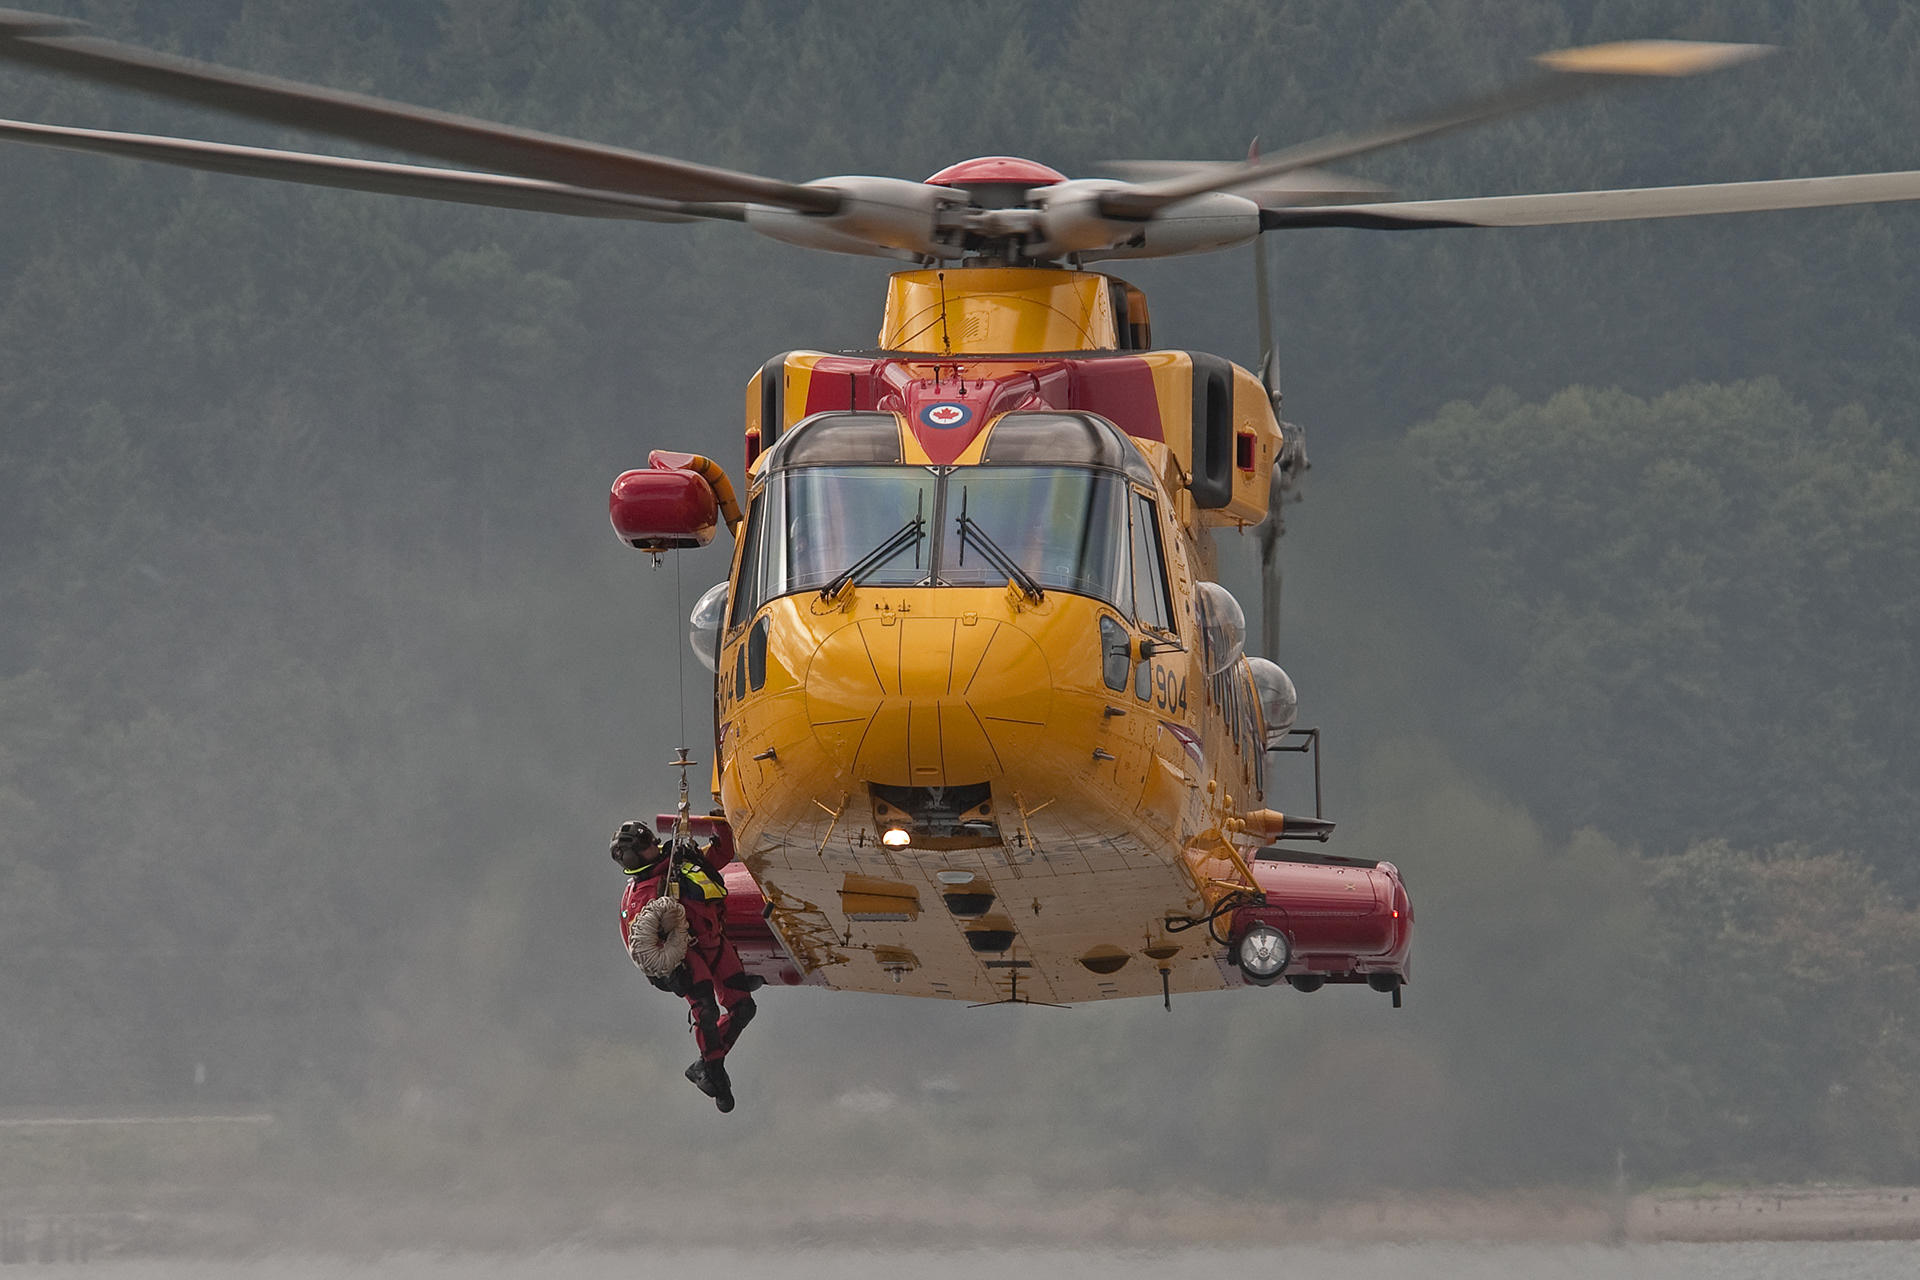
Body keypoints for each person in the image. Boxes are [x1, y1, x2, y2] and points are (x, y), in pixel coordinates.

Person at [611, 820, 761, 1112]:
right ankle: (714, 1070)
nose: (654, 845)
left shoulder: (681, 860)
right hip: (688, 952)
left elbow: (720, 856)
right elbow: (642, 948)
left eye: (652, 840)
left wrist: (723, 825)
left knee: (744, 1008)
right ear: (631, 857)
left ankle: (704, 1065)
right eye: (645, 845)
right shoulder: (642, 894)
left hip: (714, 942)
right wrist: (668, 975)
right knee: (706, 1010)